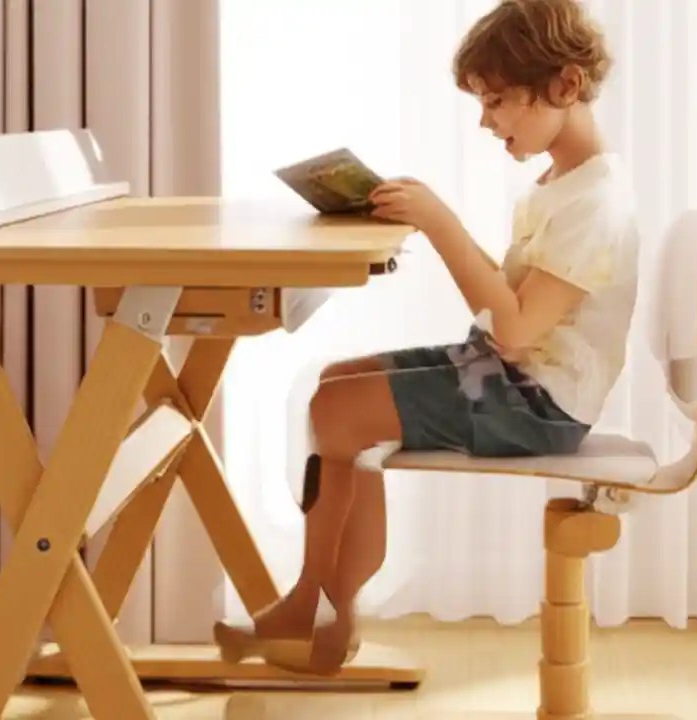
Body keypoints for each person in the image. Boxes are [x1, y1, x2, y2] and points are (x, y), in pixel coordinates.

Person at [214, 0, 640, 675]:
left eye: (497, 100)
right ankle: (329, 612)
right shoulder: (563, 186)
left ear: (562, 85)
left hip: (537, 403)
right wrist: (428, 218)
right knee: (332, 386)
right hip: (508, 376)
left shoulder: (595, 203)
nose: (486, 120)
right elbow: (511, 307)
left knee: (337, 414)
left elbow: (515, 332)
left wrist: (439, 222)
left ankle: (311, 605)